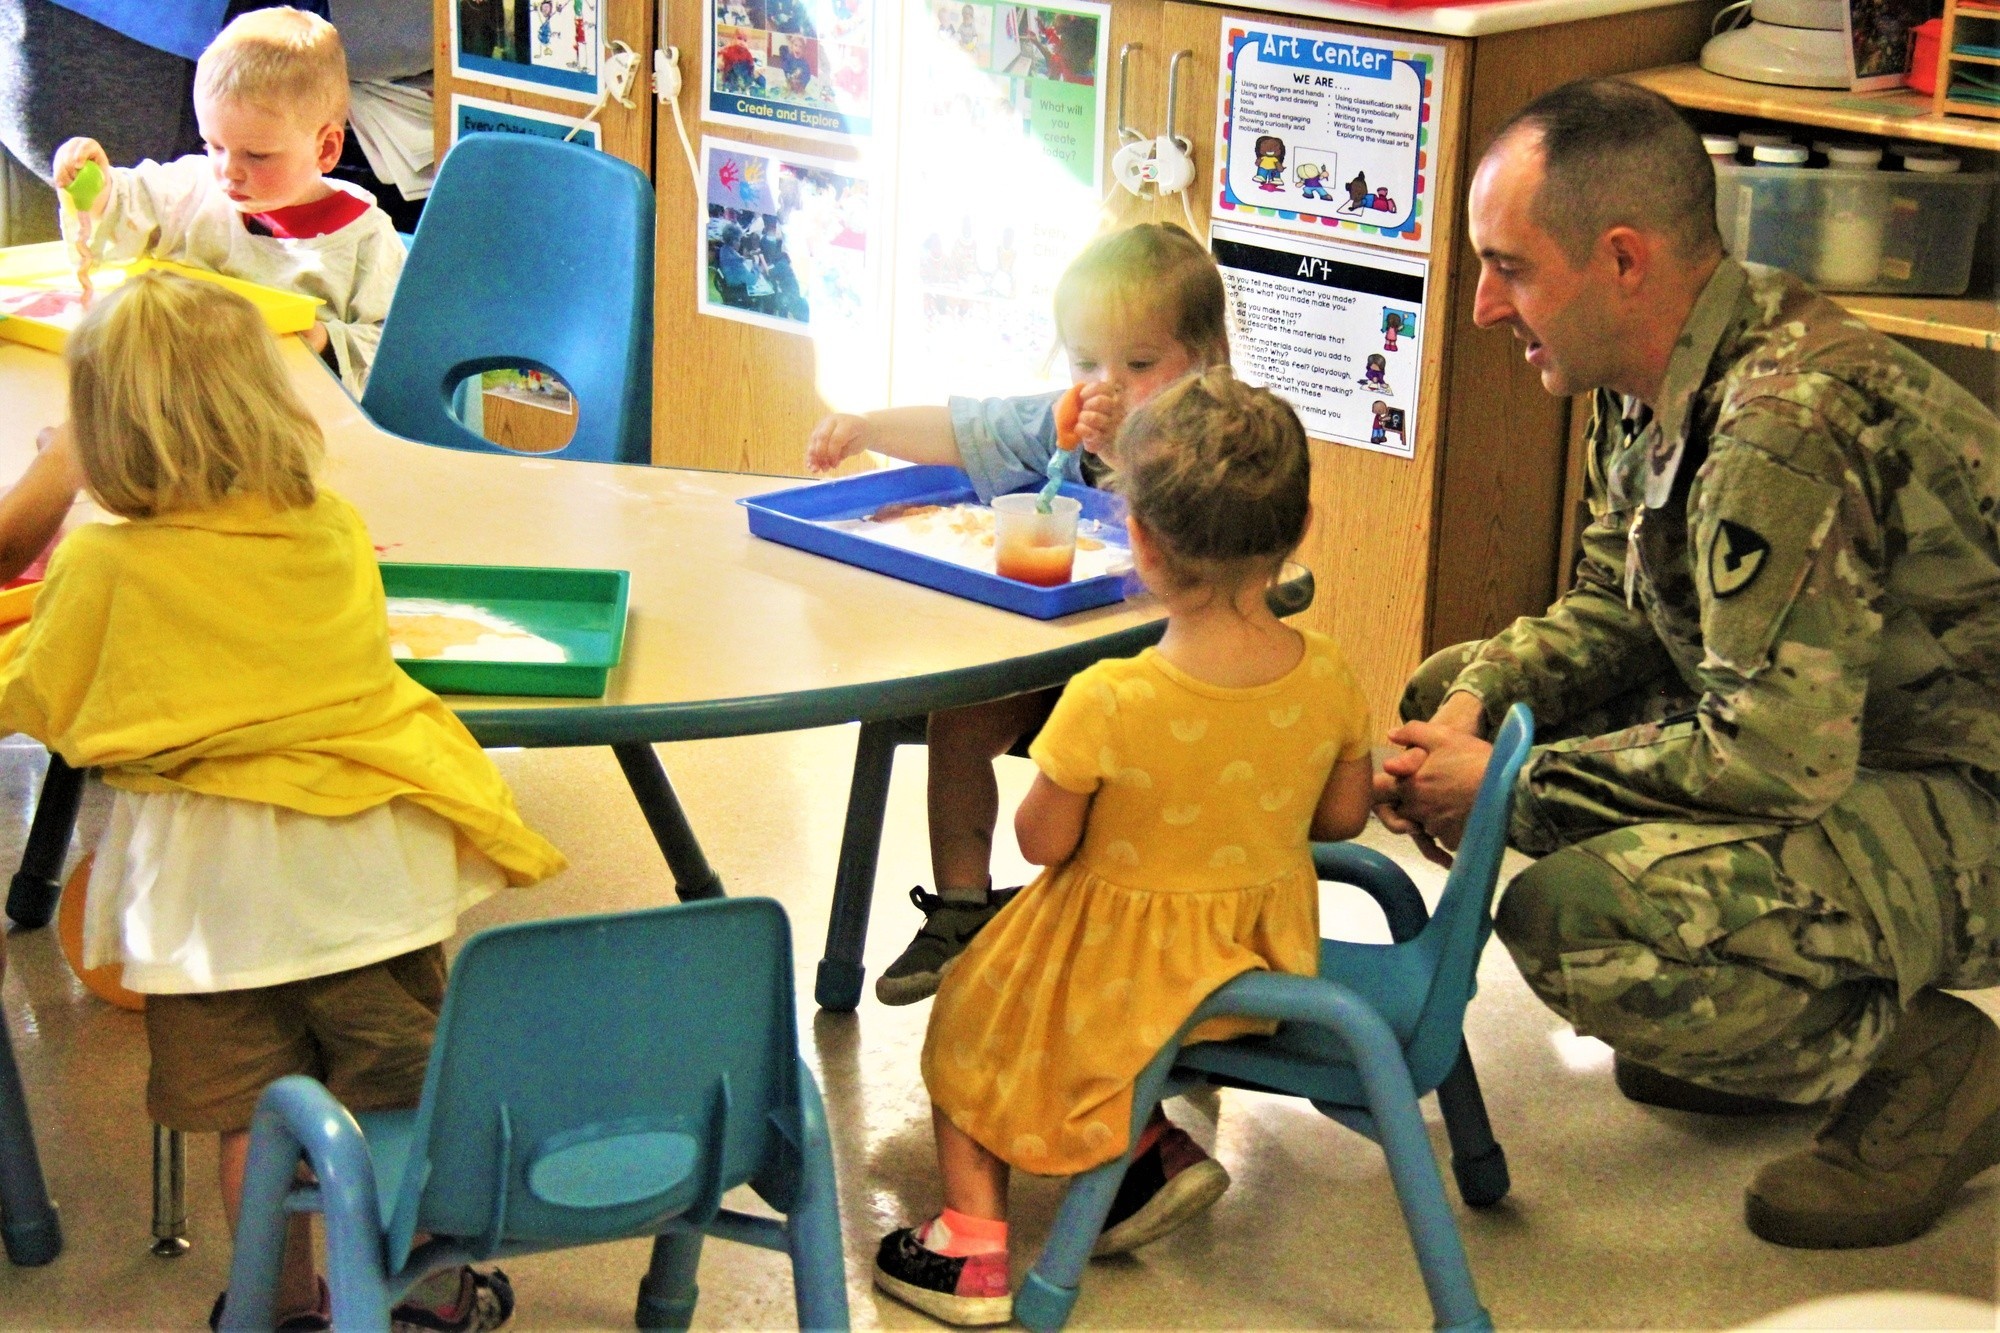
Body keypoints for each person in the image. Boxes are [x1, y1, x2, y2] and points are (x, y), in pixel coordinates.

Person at [1372, 78, 2000, 1250]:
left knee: (1583, 921)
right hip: (1859, 726)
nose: (1476, 307)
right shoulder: (1656, 358)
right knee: (1447, 697)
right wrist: (1473, 703)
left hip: (1966, 784)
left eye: (1506, 267)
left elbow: (1770, 753)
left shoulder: (1783, 423)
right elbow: (1619, 603)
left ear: (1618, 258)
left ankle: (1931, 1066)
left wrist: (1504, 786)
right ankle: (1764, 1011)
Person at [0, 272, 566, 1329]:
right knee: (400, 1103)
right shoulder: (332, 529)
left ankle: (278, 1305)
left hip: (213, 905)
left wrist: (50, 487)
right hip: (365, 877)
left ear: (100, 442)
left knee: (252, 1125)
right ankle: (435, 1300)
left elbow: (48, 700)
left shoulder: (100, 564)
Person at [871, 369, 1376, 1326]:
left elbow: (1041, 840)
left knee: (973, 1020)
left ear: (1136, 538)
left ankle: (969, 1248)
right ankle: (1143, 1160)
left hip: (1132, 969)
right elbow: (1342, 817)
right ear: (1301, 526)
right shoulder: (1332, 676)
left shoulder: (1110, 696)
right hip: (1259, 965)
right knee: (1080, 1021)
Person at [803, 223, 1233, 1007]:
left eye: (1139, 364)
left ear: (1204, 357)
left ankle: (1103, 935)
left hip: (1173, 682)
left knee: (1109, 792)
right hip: (1063, 660)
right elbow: (969, 433)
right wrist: (867, 427)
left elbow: (1206, 537)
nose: (1108, 383)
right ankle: (963, 908)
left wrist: (1134, 453)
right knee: (959, 718)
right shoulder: (1066, 418)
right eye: (1085, 362)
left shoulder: (1224, 437)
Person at [50, 7, 405, 393]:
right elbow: (124, 214)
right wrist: (97, 186)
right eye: (214, 146)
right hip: (175, 404)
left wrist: (324, 341)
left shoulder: (364, 239)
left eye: (257, 155)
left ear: (326, 147)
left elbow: (398, 354)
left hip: (292, 424)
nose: (228, 170)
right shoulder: (192, 188)